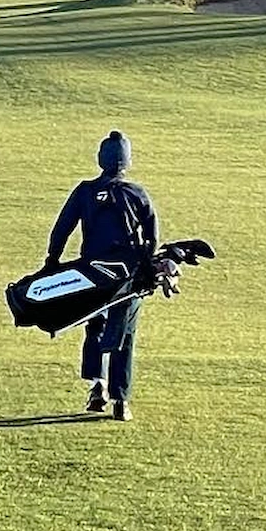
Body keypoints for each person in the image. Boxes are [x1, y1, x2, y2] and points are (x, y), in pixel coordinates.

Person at [44, 131, 157, 421]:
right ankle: (121, 402)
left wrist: (51, 261)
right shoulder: (136, 193)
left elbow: (62, 228)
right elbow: (152, 235)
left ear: (100, 159)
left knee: (95, 325)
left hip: (93, 272)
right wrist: (146, 265)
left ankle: (98, 386)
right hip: (128, 277)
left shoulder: (84, 191)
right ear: (127, 161)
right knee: (125, 334)